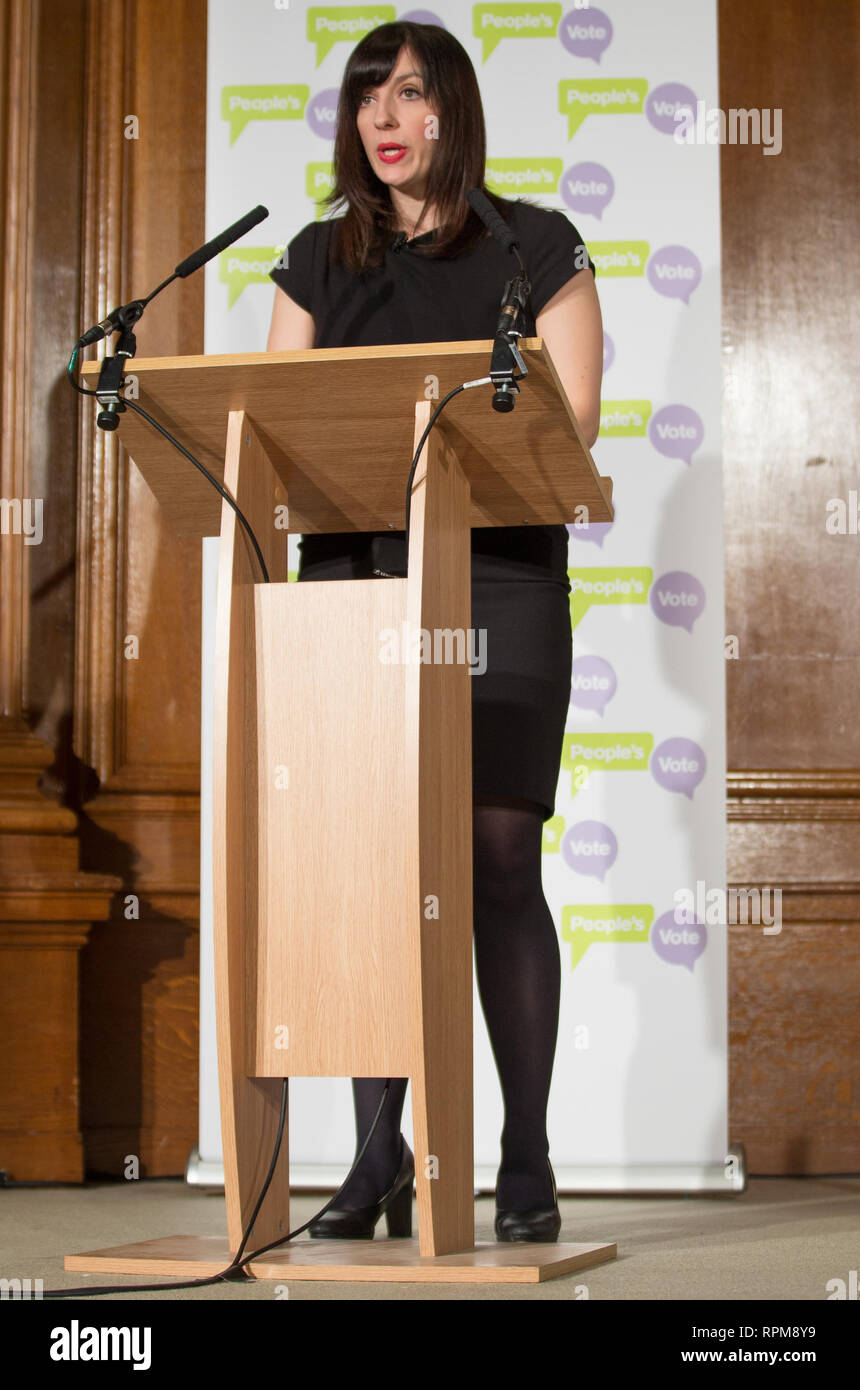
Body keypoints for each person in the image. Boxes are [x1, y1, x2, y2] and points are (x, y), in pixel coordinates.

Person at [267, 19, 602, 1242]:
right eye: (365, 98)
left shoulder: (533, 248)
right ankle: (375, 1156)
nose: (384, 118)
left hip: (499, 575)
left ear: (450, 108)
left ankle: (521, 1149)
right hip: (355, 581)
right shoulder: (313, 259)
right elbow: (274, 434)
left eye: (407, 94)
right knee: (374, 880)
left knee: (496, 859)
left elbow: (575, 430)